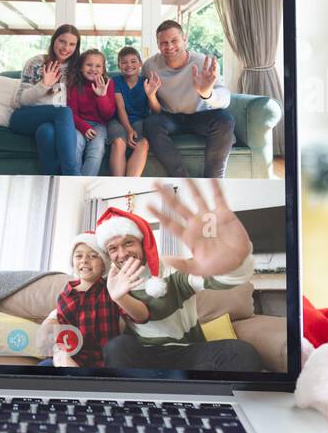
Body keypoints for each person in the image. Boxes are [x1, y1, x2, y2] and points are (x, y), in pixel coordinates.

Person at [94, 182, 264, 372]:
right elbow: (78, 303)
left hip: (186, 352)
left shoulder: (171, 269)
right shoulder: (110, 282)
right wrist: (53, 320)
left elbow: (214, 280)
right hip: (141, 355)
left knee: (241, 353)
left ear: (143, 243)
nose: (123, 253)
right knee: (116, 347)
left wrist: (234, 263)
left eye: (128, 243)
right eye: (113, 249)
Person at [35, 232, 149, 368]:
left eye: (93, 256)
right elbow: (62, 334)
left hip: (108, 359)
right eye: (79, 256)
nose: (84, 260)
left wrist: (120, 297)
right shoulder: (65, 297)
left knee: (120, 344)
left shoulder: (111, 288)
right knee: (44, 366)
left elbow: (141, 317)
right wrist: (63, 357)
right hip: (76, 360)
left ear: (104, 265)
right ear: (72, 262)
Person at [140, 20, 234, 178]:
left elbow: (225, 98)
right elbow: (148, 102)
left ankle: (213, 181)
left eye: (174, 41)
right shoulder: (150, 66)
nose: (169, 46)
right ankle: (182, 179)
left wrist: (206, 93)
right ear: (158, 45)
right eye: (164, 43)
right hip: (171, 117)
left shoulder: (203, 62)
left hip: (201, 115)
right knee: (150, 123)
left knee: (226, 120)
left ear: (185, 40)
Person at [7, 24, 82, 175]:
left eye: (72, 44)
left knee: (46, 132)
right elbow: (20, 100)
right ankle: (72, 174)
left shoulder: (75, 68)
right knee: (64, 112)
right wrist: (43, 85)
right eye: (62, 41)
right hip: (24, 117)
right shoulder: (37, 63)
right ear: (54, 40)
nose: (66, 47)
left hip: (52, 123)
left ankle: (50, 180)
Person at [65, 49, 116, 176]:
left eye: (98, 66)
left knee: (97, 149)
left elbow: (108, 115)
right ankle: (74, 180)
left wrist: (102, 96)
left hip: (100, 125)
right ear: (81, 68)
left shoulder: (108, 84)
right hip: (79, 124)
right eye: (89, 65)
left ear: (103, 69)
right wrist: (84, 127)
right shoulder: (75, 85)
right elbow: (71, 113)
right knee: (76, 144)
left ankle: (86, 183)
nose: (93, 69)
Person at [109, 46, 150, 177]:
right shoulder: (115, 81)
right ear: (119, 65)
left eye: (133, 61)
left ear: (140, 63)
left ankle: (129, 187)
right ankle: (118, 185)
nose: (129, 65)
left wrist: (152, 94)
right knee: (119, 143)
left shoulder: (145, 82)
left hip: (139, 120)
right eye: (124, 62)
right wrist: (128, 130)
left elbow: (156, 110)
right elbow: (120, 107)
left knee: (143, 144)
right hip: (118, 120)